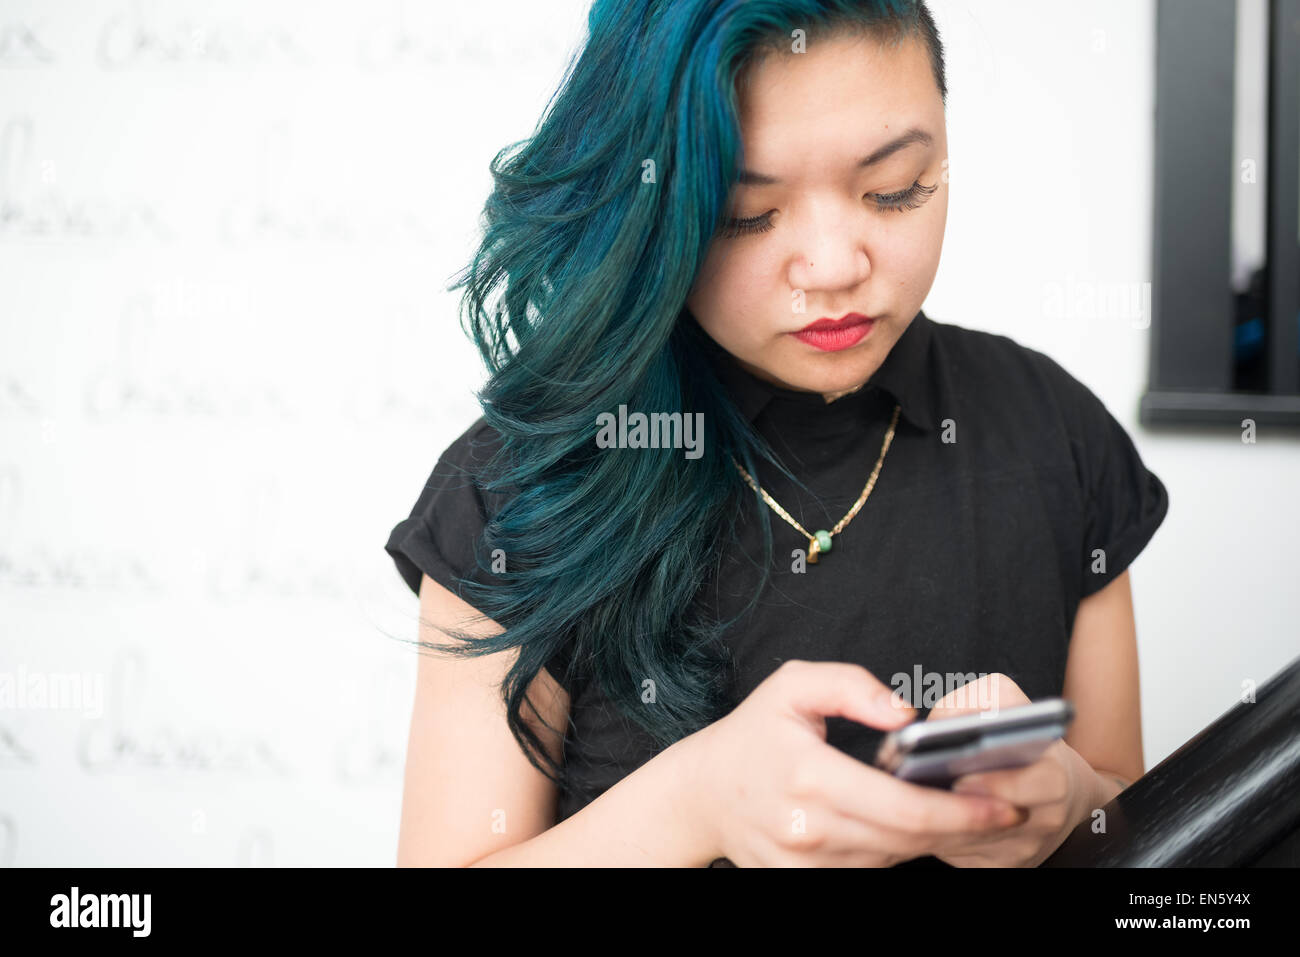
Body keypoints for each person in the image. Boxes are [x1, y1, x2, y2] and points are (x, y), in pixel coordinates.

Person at [385, 0, 1168, 867]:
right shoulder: (517, 487)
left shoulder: (1053, 432)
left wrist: (1072, 796)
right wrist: (697, 804)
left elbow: (1140, 825)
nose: (834, 268)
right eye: (749, 212)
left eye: (893, 189)